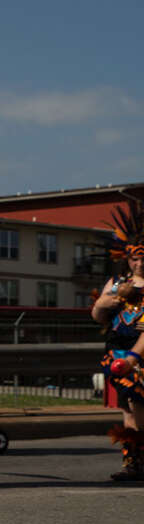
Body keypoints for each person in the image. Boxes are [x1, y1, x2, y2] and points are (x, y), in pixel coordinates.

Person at [91, 200, 144, 481]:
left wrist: (134, 357)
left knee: (138, 406)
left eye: (143, 256)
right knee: (128, 408)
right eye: (135, 257)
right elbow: (98, 313)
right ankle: (133, 464)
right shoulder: (116, 282)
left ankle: (138, 462)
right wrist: (119, 295)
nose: (140, 262)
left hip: (138, 354)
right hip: (118, 352)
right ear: (127, 257)